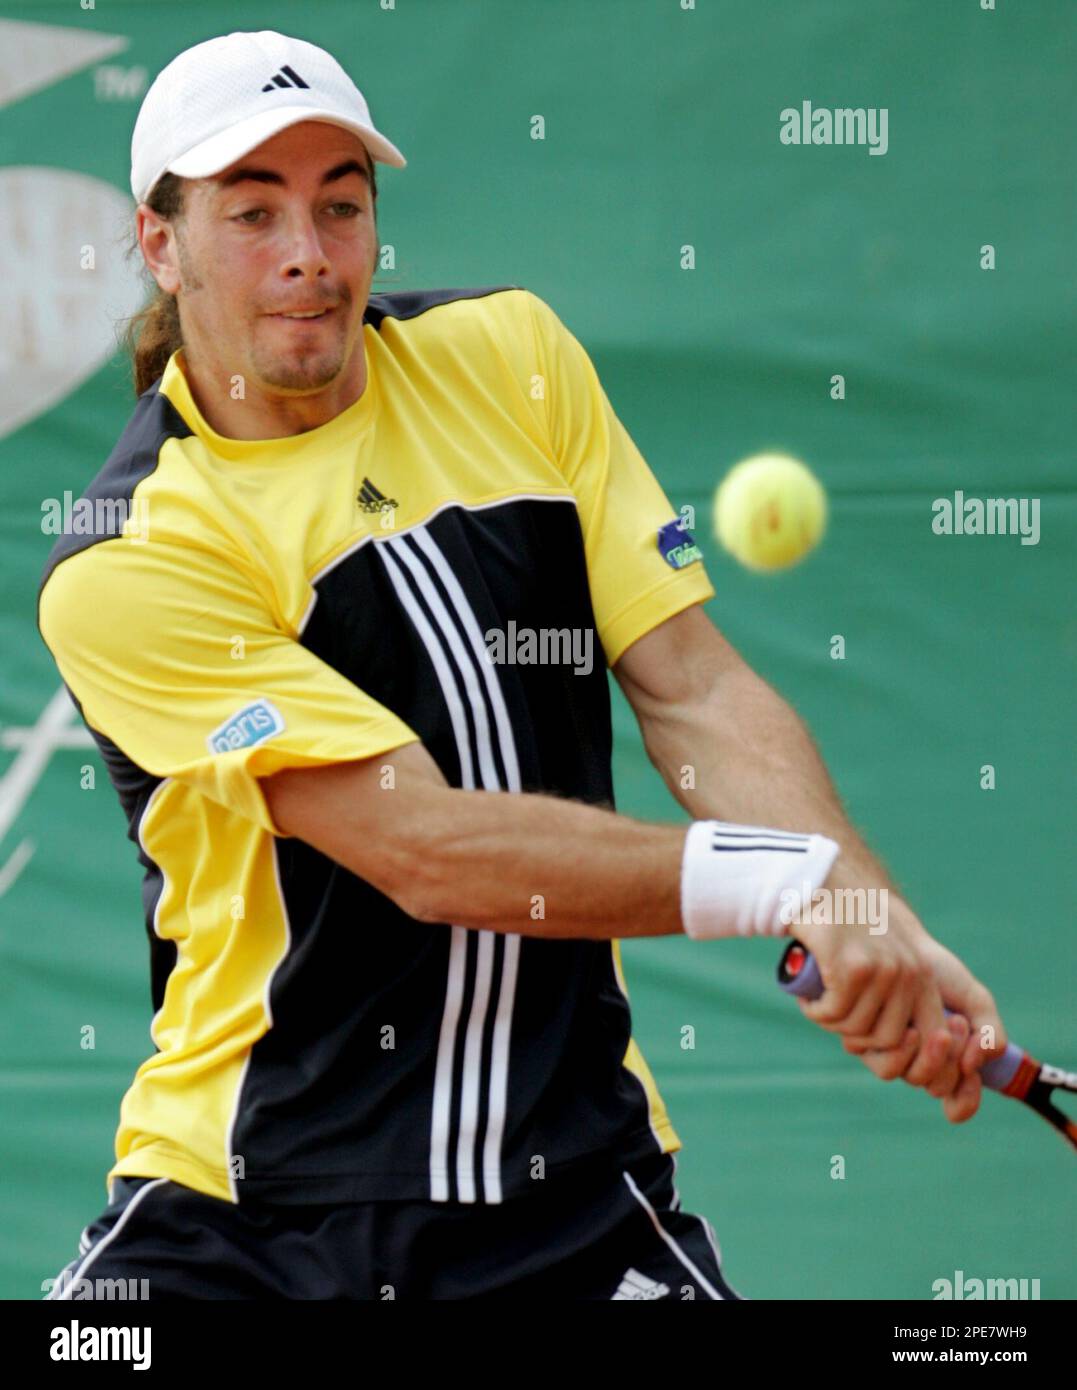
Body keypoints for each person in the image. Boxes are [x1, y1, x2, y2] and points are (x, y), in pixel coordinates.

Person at [38, 30, 1004, 1301]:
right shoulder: (131, 554)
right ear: (161, 246)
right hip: (244, 1220)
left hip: (575, 1202)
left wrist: (872, 914)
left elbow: (691, 685)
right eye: (251, 212)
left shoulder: (512, 356)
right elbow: (423, 846)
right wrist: (791, 882)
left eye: (341, 206)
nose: (307, 258)